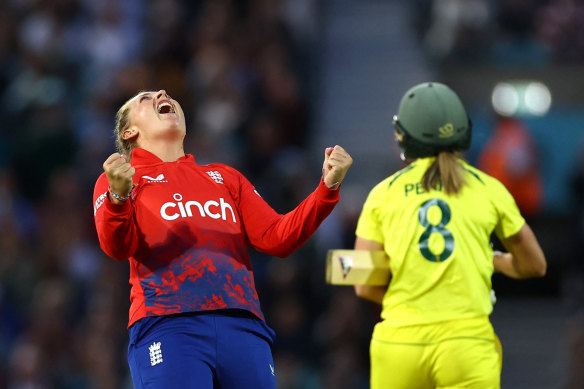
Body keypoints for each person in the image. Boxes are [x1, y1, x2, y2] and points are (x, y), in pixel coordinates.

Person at [92, 89, 353, 389]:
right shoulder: (121, 180)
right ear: (130, 132)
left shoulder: (225, 177)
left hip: (242, 325)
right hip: (171, 323)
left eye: (162, 94)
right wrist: (117, 196)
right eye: (144, 98)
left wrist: (326, 189)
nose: (162, 93)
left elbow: (276, 237)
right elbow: (116, 247)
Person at [352, 82, 546, 389]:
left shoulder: (382, 195)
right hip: (467, 346)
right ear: (463, 132)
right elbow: (536, 265)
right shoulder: (489, 188)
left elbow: (362, 284)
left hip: (400, 346)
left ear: (404, 137)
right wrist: (492, 260)